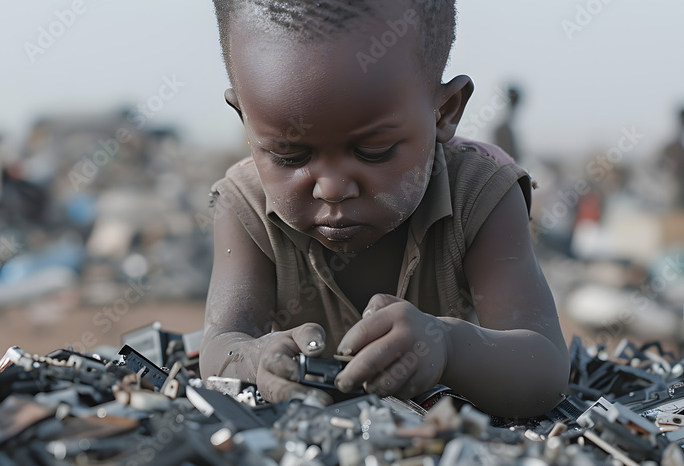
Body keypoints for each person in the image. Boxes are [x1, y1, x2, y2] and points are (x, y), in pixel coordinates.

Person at [200, 0, 569, 419]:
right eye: (288, 155)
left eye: (373, 150)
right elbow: (219, 346)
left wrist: (446, 346)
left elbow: (545, 365)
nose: (333, 188)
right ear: (244, 120)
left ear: (444, 113)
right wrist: (257, 359)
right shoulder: (244, 204)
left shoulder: (481, 194)